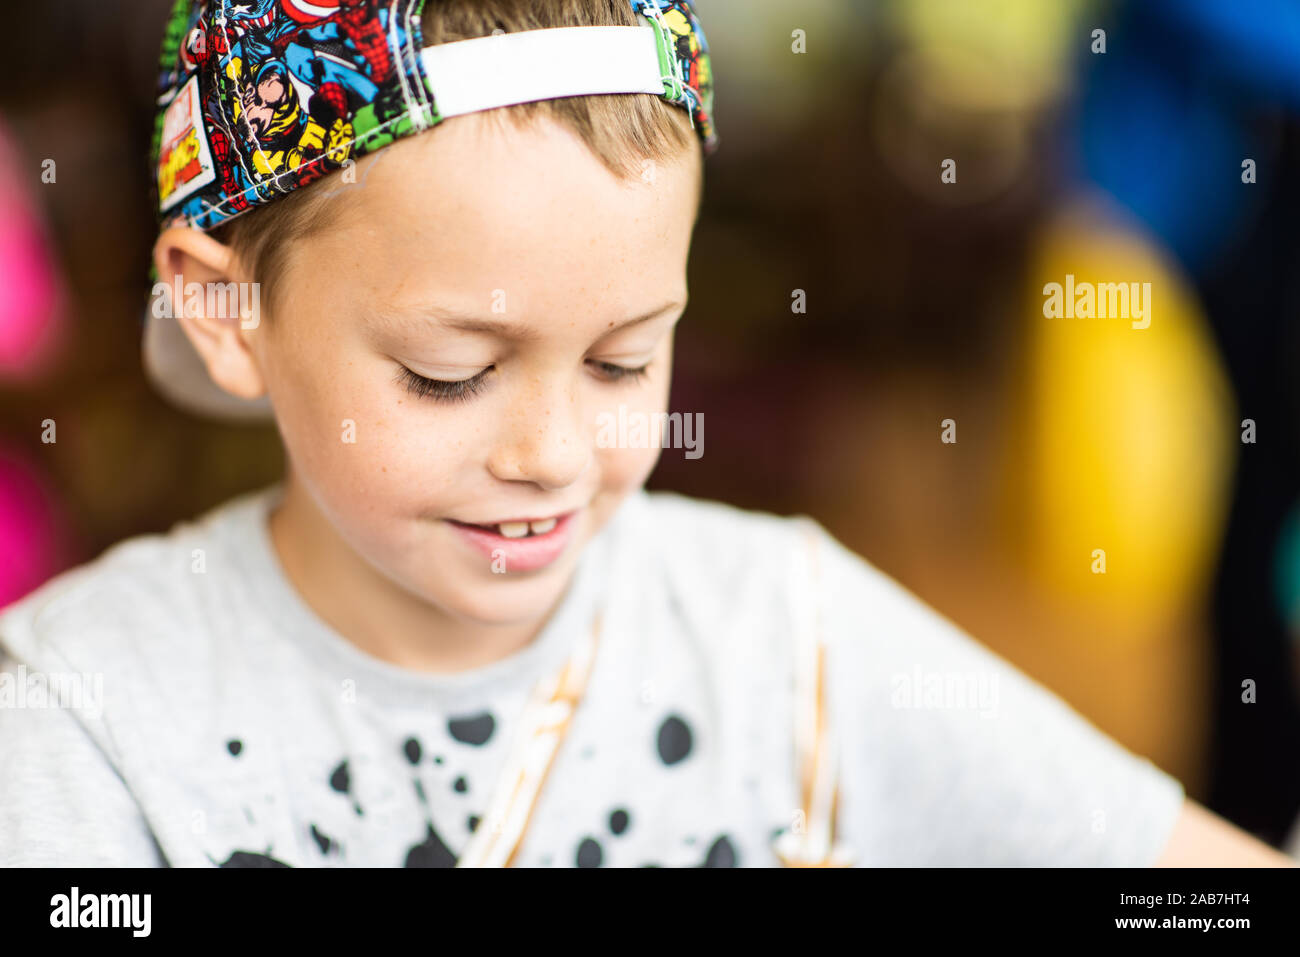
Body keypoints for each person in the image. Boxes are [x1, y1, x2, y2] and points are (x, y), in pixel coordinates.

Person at [0, 0, 1290, 868]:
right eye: (452, 374)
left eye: (625, 360)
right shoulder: (82, 720)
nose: (554, 452)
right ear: (223, 305)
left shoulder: (781, 639)